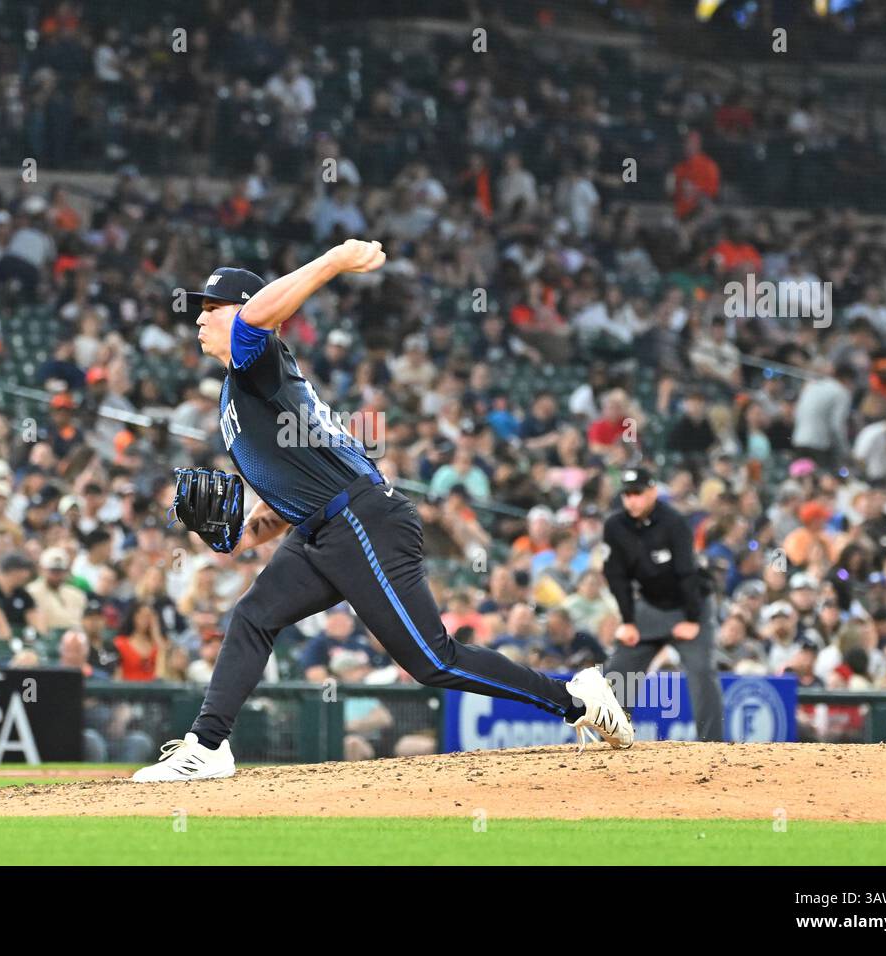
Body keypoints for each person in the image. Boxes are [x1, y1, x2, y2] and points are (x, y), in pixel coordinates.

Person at [131, 241, 631, 782]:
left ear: (248, 308)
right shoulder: (237, 389)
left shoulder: (260, 357)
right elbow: (287, 502)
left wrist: (334, 260)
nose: (200, 318)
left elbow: (257, 319)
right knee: (254, 615)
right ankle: (208, 747)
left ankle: (575, 698)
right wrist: (237, 538)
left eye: (213, 307)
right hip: (322, 526)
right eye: (200, 308)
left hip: (362, 520)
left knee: (432, 661)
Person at [602, 467, 723, 742]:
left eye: (638, 493)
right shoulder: (615, 527)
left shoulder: (674, 522)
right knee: (618, 670)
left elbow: (687, 573)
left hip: (689, 603)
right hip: (651, 606)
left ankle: (713, 744)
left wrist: (692, 620)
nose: (632, 500)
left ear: (653, 492)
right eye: (627, 494)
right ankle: (610, 738)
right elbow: (617, 577)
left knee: (702, 670)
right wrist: (628, 621)